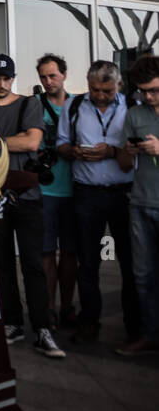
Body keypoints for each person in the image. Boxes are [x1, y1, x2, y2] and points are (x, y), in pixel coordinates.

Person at [0, 54, 63, 357]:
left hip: (26, 195)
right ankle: (12, 321)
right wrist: (3, 141)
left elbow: (32, 143)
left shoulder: (29, 103)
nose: (2, 84)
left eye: (7, 78)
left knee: (33, 263)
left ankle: (42, 328)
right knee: (1, 264)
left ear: (13, 78)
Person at [58, 60, 140, 346]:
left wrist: (112, 151)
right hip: (87, 192)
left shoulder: (132, 106)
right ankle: (89, 321)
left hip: (124, 192)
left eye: (107, 90)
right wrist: (75, 151)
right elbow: (61, 144)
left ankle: (135, 326)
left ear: (117, 86)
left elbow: (140, 150)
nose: (101, 96)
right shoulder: (75, 106)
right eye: (95, 89)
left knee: (130, 262)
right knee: (88, 262)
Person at [120, 55, 159, 356]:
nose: (148, 96)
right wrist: (130, 149)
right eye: (143, 90)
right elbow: (122, 163)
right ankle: (149, 334)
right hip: (140, 202)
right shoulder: (134, 114)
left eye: (154, 90)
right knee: (143, 274)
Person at [35, 54, 77, 329]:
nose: (48, 81)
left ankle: (67, 307)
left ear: (64, 74)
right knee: (47, 252)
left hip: (75, 188)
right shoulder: (35, 106)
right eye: (43, 77)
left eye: (53, 75)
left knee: (71, 253)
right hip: (46, 189)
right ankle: (48, 307)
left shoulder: (78, 106)